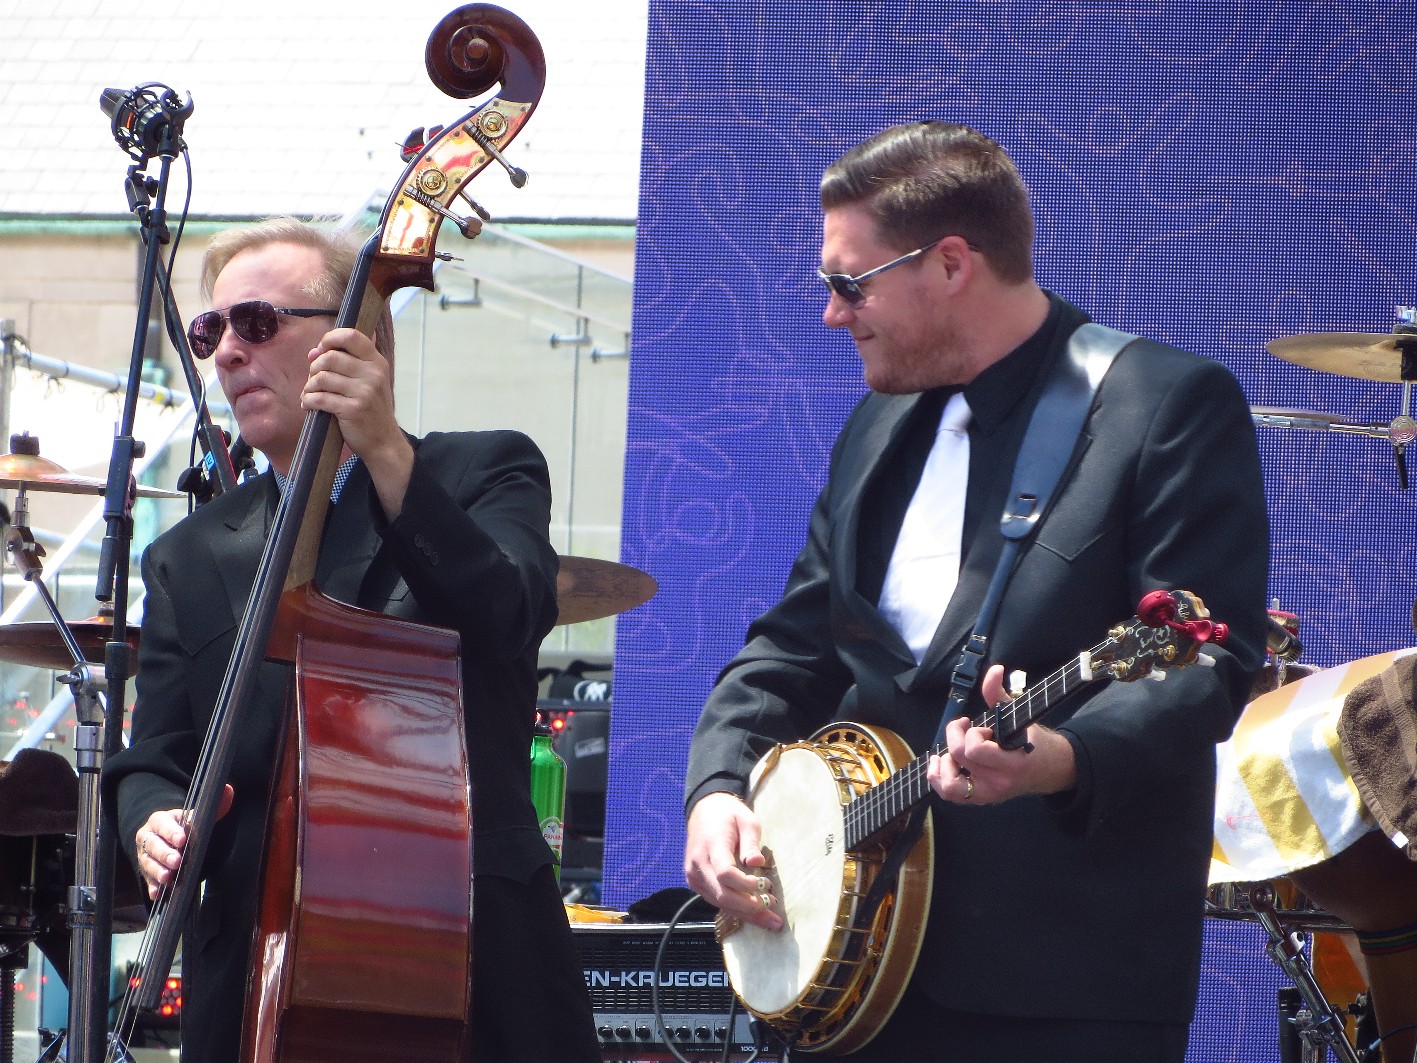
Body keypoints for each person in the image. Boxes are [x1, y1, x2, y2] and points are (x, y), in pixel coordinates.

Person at [683, 121, 1270, 1062]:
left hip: (1058, 986)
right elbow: (792, 646)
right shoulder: (876, 425)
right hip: (848, 975)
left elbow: (1207, 656)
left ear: (949, 262)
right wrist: (716, 788)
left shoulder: (1163, 404)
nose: (834, 315)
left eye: (848, 283)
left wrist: (1061, 754)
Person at [103, 218, 601, 1063]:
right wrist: (150, 816)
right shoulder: (187, 554)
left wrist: (384, 456)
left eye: (257, 321)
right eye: (209, 329)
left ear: (359, 338)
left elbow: (508, 614)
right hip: (259, 976)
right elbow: (157, 752)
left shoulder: (483, 472)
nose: (225, 351)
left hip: (465, 954)